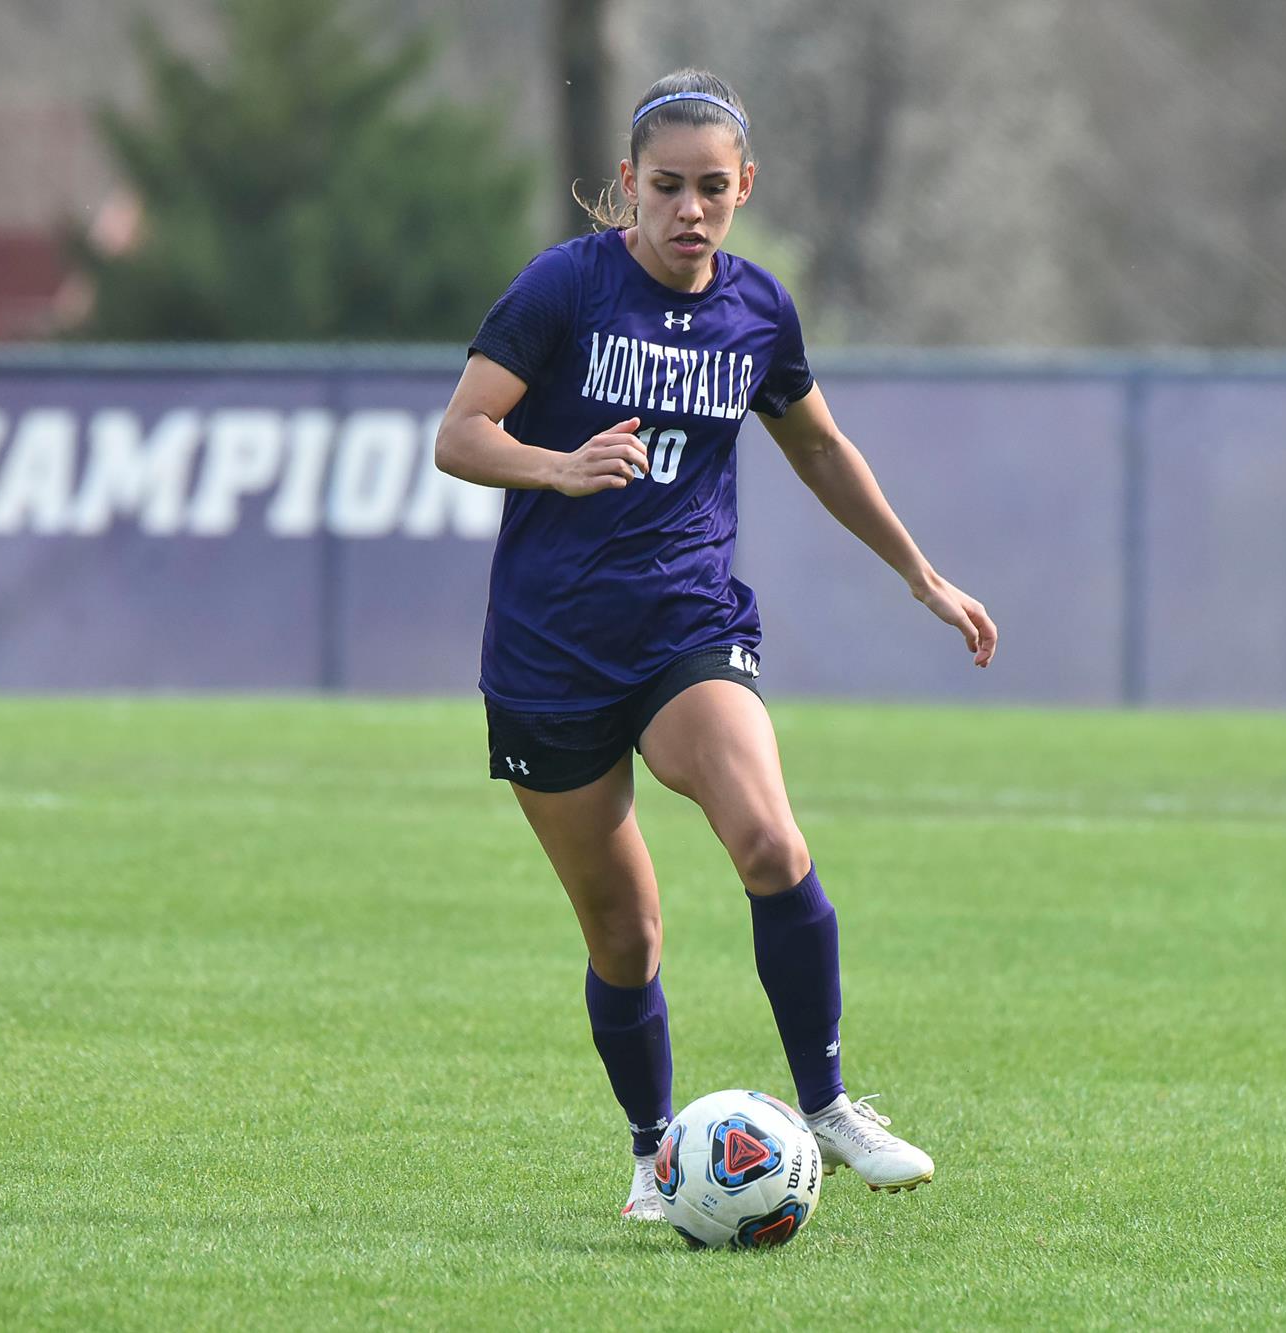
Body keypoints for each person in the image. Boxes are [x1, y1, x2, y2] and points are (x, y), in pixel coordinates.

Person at [434, 69, 998, 1222]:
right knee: (623, 932)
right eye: (664, 187)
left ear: (744, 186)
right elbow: (459, 434)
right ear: (627, 186)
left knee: (768, 841)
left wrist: (918, 571)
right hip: (548, 651)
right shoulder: (563, 287)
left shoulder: (757, 311)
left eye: (710, 187)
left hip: (685, 624)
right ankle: (655, 1156)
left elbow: (819, 447)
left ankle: (826, 1104)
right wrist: (558, 464)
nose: (687, 209)